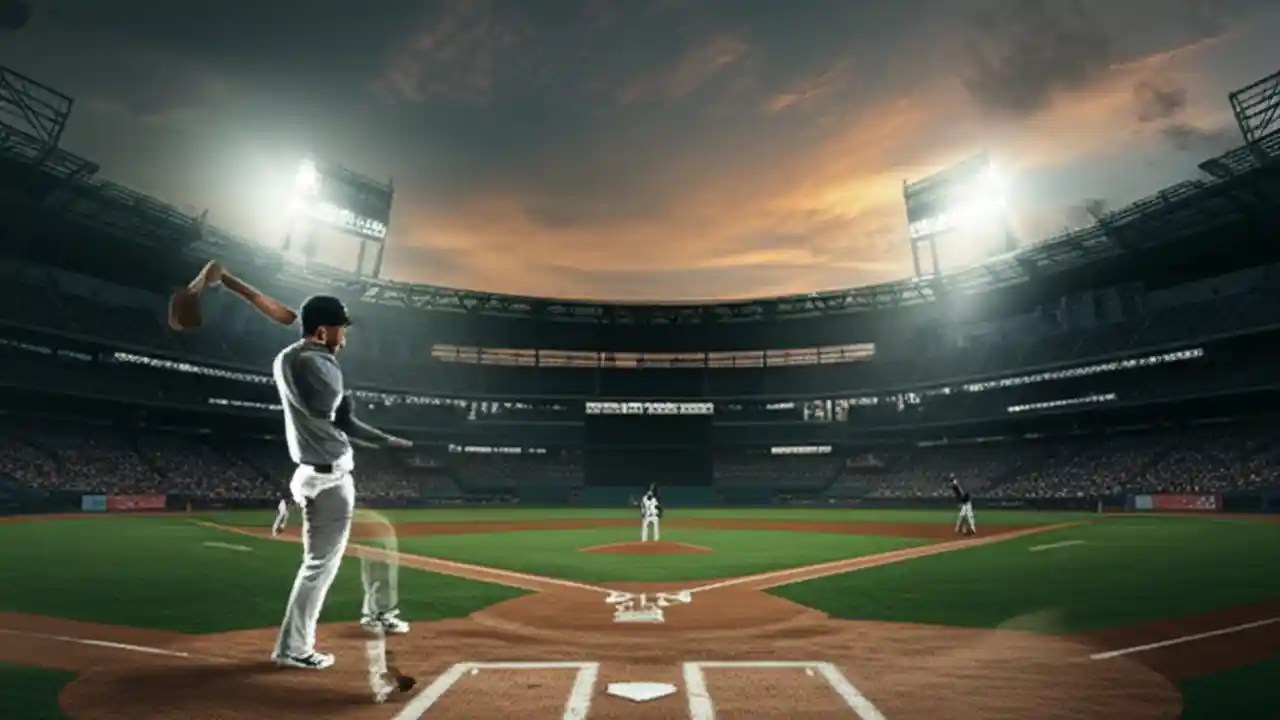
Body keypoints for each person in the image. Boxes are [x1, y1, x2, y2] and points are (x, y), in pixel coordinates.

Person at [270, 295, 413, 670]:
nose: (343, 339)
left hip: (310, 475)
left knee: (379, 534)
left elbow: (332, 415)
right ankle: (293, 648)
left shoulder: (285, 357)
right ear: (322, 330)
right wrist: (382, 437)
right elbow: (334, 414)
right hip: (329, 479)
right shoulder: (320, 364)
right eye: (340, 330)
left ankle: (377, 611)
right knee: (318, 567)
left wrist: (379, 436)